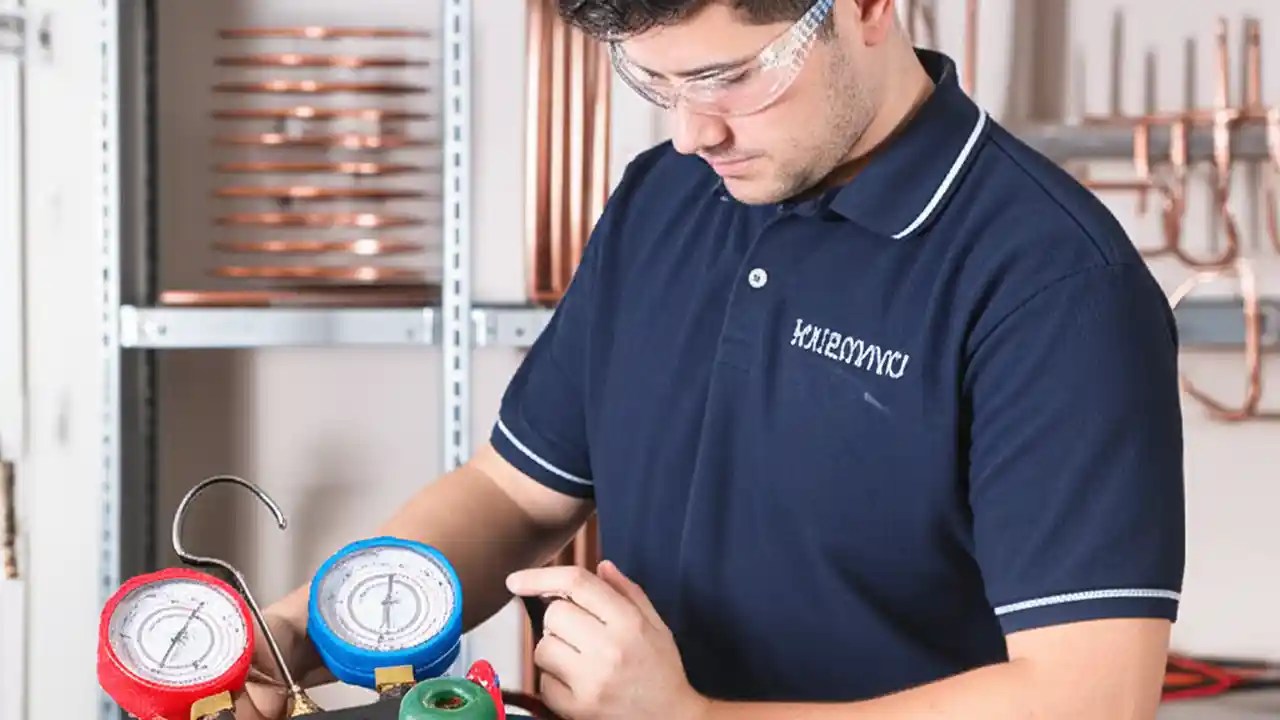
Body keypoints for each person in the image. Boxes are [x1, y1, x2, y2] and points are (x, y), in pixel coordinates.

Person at [236, 1, 1186, 718]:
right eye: (659, 84)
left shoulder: (1055, 281)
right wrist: (299, 633)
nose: (693, 132)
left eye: (730, 77)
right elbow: (516, 495)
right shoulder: (666, 199)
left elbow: (1087, 694)